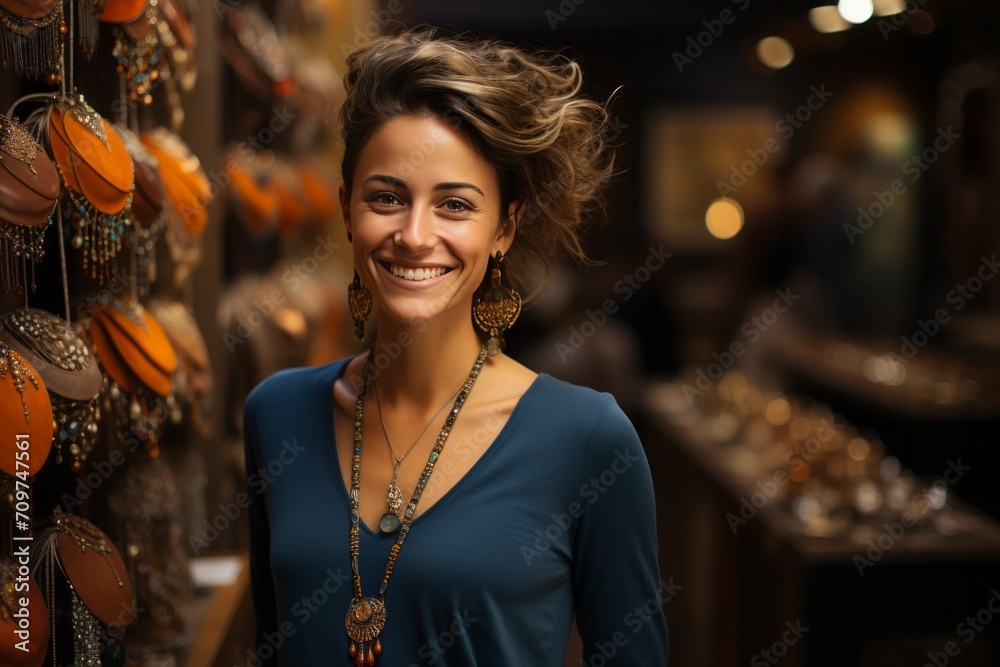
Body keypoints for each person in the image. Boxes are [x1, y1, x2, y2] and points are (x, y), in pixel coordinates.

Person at [244, 28, 669, 666]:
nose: (415, 236)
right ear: (346, 210)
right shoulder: (276, 414)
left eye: (455, 206)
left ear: (504, 228)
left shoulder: (587, 439)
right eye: (386, 198)